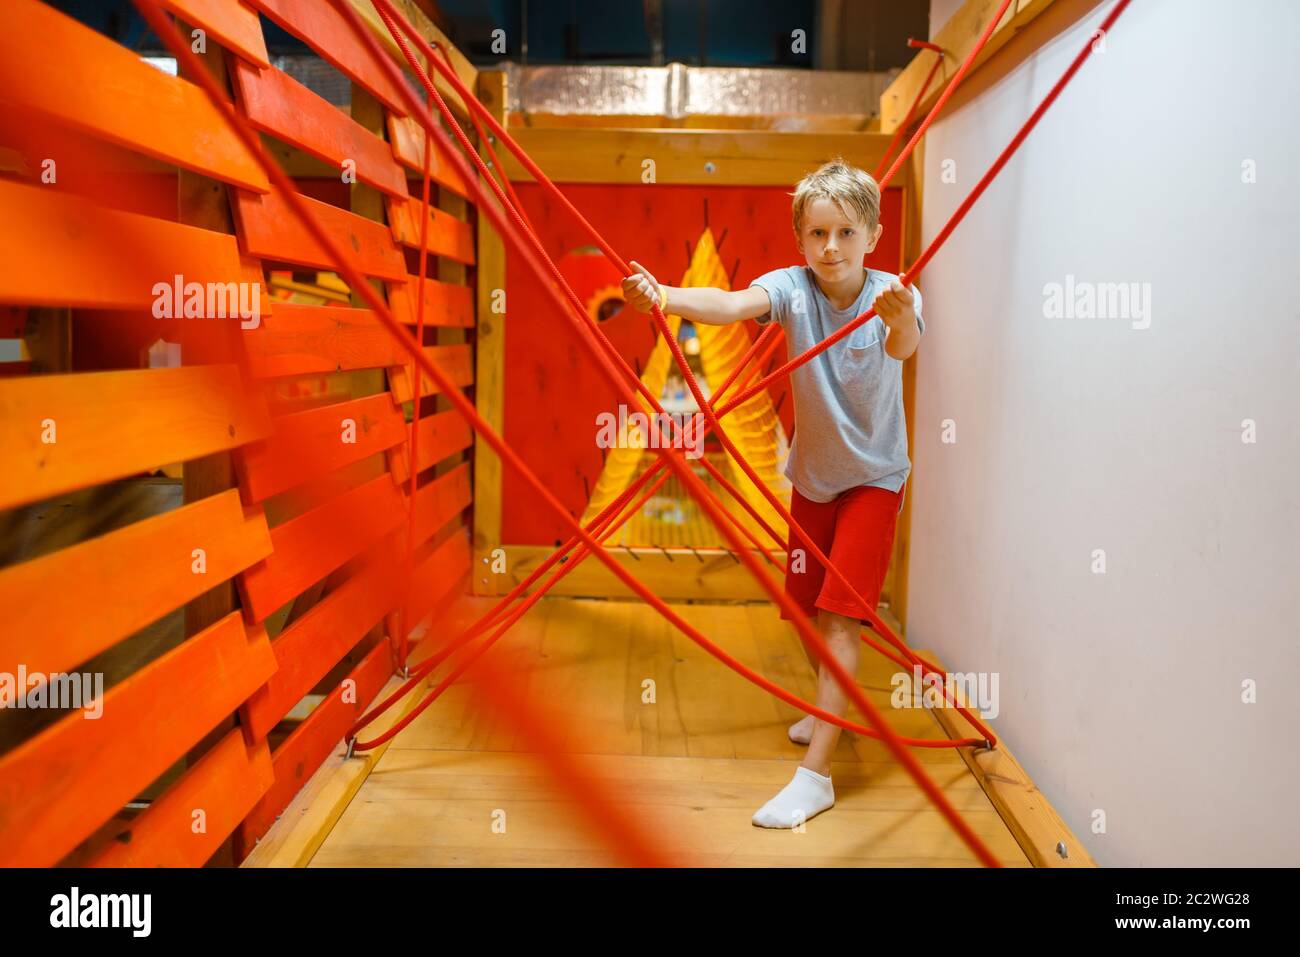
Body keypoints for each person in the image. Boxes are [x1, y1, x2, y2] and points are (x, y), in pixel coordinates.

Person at [620, 157, 924, 828]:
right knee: (813, 612)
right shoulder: (792, 287)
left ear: (871, 234)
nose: (831, 248)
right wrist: (662, 294)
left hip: (873, 478)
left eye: (846, 233)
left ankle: (815, 776)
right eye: (817, 234)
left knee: (844, 617)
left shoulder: (892, 293)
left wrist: (901, 315)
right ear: (801, 240)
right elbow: (729, 306)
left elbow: (903, 347)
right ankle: (827, 708)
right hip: (813, 478)